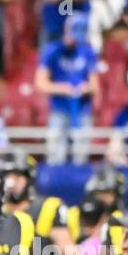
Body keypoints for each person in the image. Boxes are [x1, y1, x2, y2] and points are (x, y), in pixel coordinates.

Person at [36, 12, 97, 163]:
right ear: (66, 29)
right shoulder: (52, 50)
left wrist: (84, 88)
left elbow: (94, 85)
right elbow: (41, 83)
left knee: (80, 157)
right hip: (59, 110)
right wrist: (64, 89)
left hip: (81, 110)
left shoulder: (87, 51)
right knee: (55, 155)